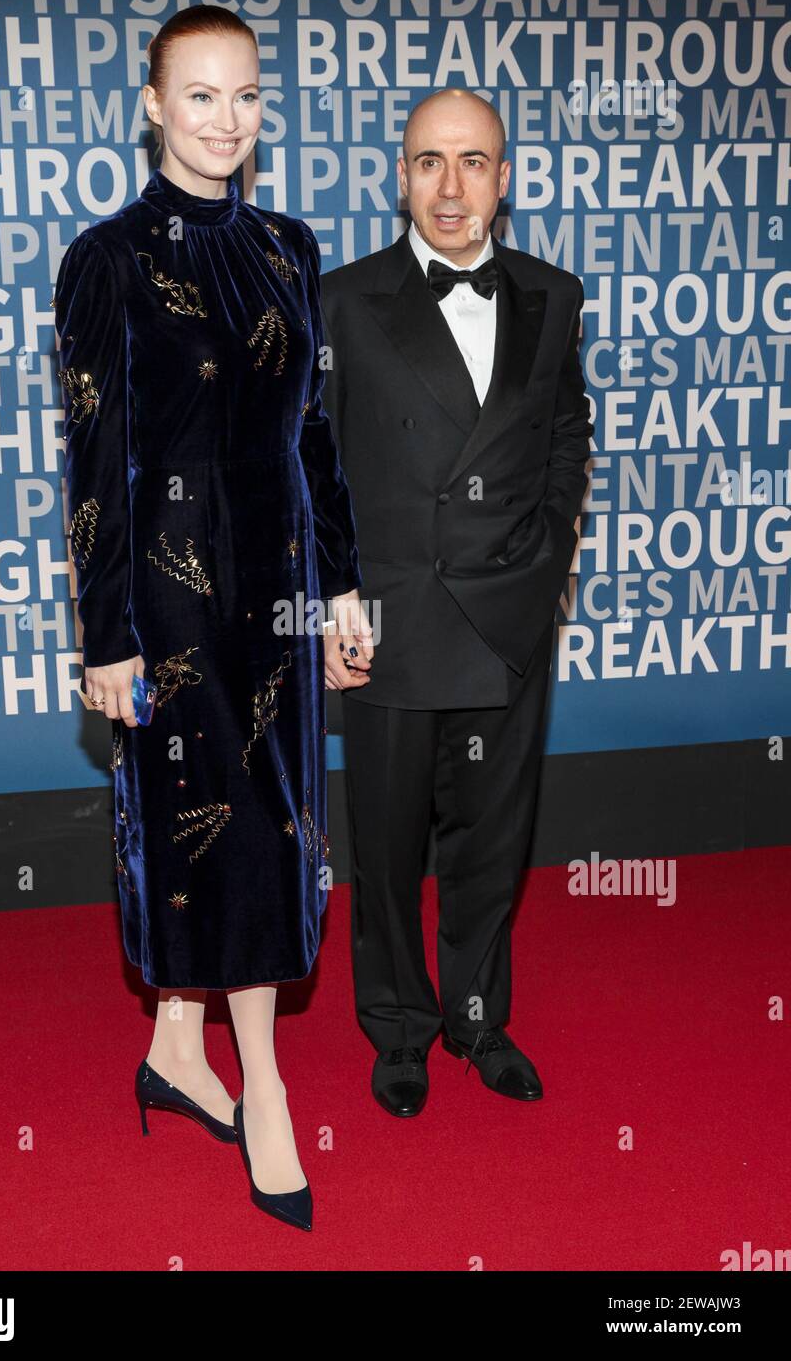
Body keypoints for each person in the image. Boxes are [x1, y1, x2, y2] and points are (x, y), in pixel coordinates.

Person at [53, 5, 372, 1230]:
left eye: (245, 96)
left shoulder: (290, 246)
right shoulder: (109, 259)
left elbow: (317, 437)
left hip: (281, 590)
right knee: (217, 836)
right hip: (174, 603)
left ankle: (177, 1050)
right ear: (151, 103)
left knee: (276, 827)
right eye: (200, 96)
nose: (226, 120)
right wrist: (106, 636)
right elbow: (97, 462)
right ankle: (267, 1086)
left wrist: (343, 588)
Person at [321, 89, 592, 1116]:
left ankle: (479, 1019)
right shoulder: (343, 299)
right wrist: (334, 596)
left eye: (472, 162)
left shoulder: (553, 295)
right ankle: (399, 1029)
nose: (449, 187)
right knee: (385, 848)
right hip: (390, 620)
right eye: (428, 162)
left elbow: (567, 431)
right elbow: (311, 464)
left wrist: (553, 546)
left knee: (491, 842)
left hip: (507, 618)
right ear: (399, 174)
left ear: (504, 178)